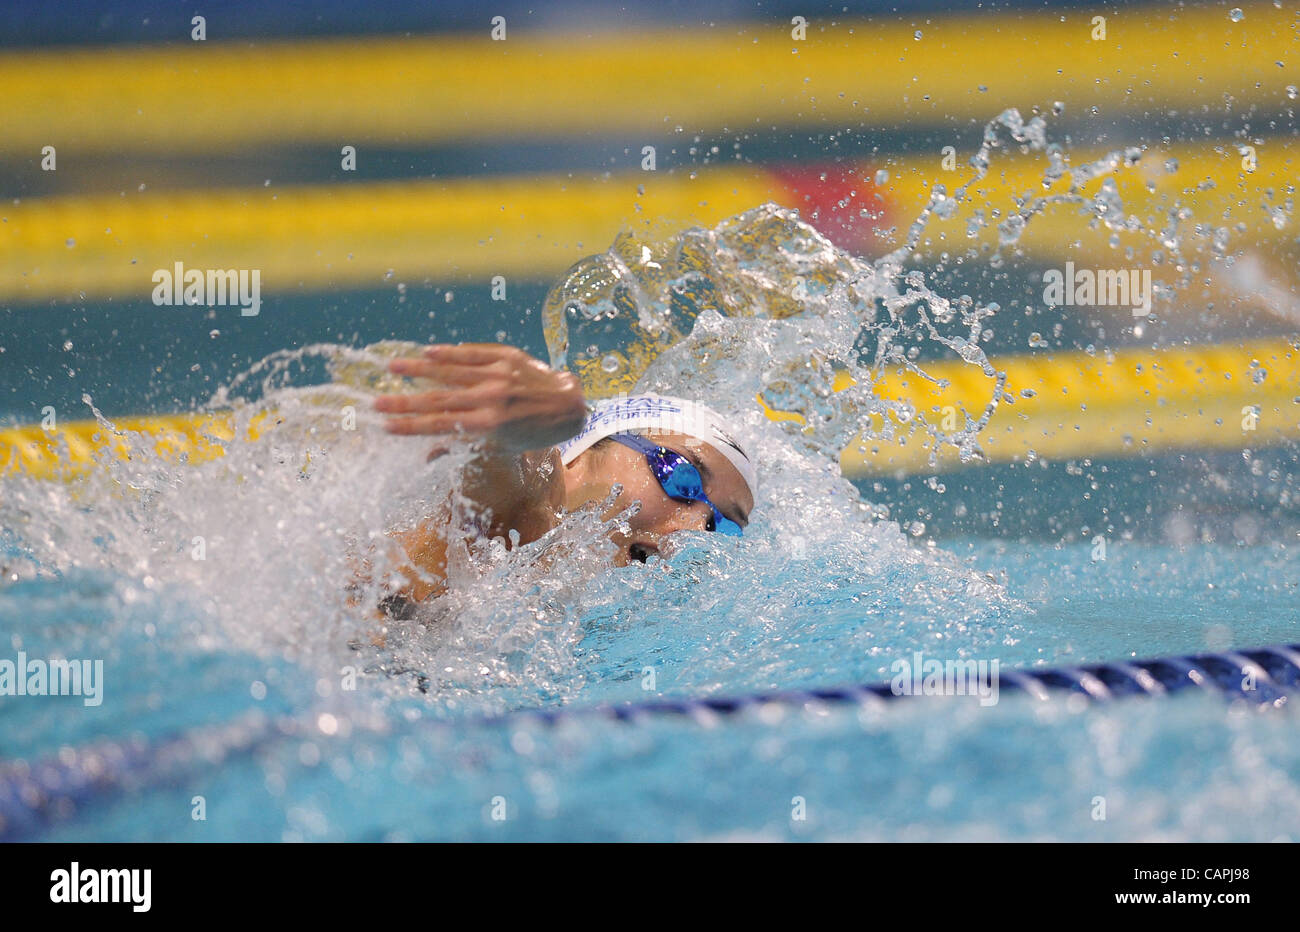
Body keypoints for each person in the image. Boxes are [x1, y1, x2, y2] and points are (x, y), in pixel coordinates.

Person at [369, 342, 756, 607]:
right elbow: (511, 466)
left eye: (718, 526)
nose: (692, 532)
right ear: (579, 453)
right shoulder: (528, 514)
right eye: (681, 476)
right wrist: (532, 420)